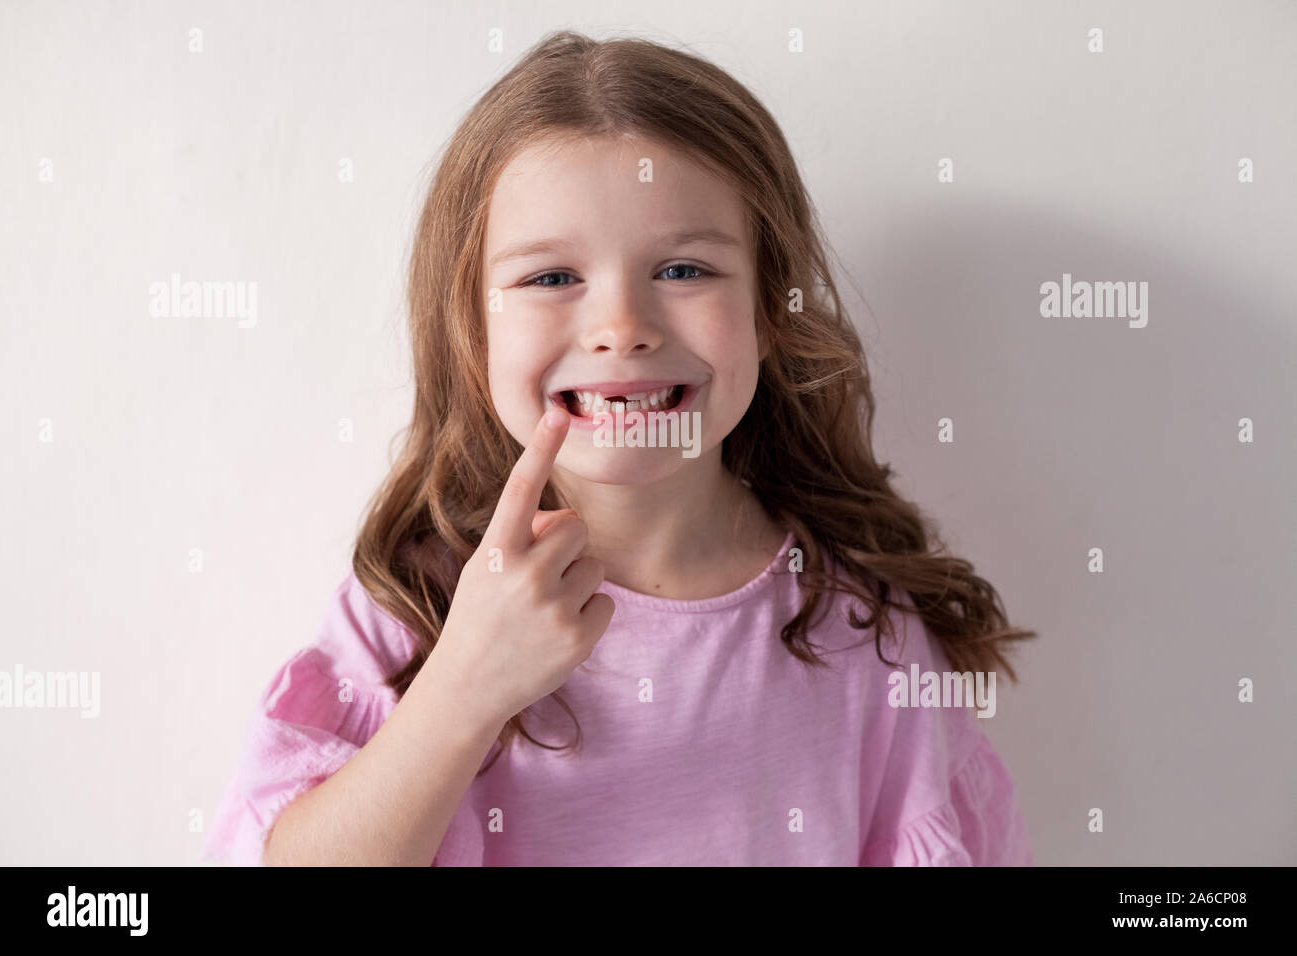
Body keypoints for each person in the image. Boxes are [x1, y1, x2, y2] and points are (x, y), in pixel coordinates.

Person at [202, 30, 1037, 866]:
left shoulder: (863, 631)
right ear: (471, 330)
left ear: (770, 310)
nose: (621, 331)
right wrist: (462, 692)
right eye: (551, 278)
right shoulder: (418, 602)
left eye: (682, 271)